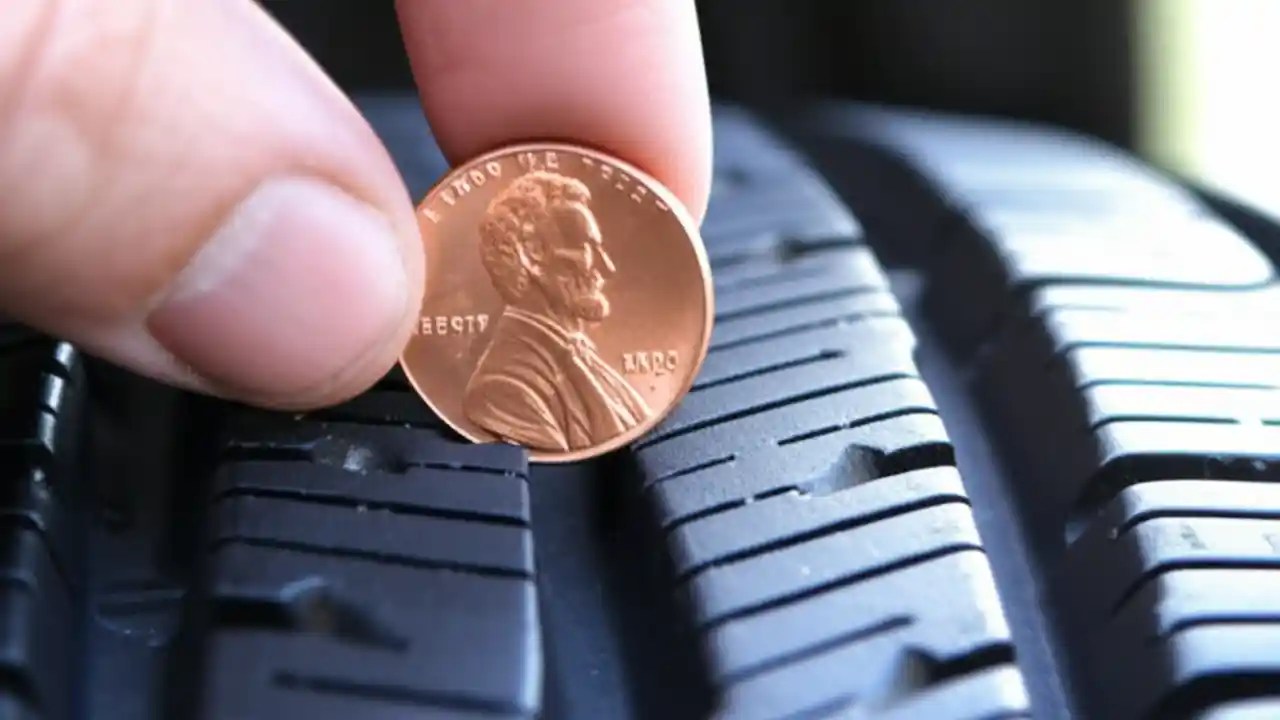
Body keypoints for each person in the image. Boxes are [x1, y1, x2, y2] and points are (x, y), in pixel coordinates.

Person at [0, 1, 710, 411]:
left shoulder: (573, 368)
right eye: (579, 244)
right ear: (525, 258)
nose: (602, 259)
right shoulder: (511, 389)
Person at [464, 171, 652, 451]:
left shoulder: (584, 359)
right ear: (533, 254)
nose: (606, 268)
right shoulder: (501, 389)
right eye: (586, 247)